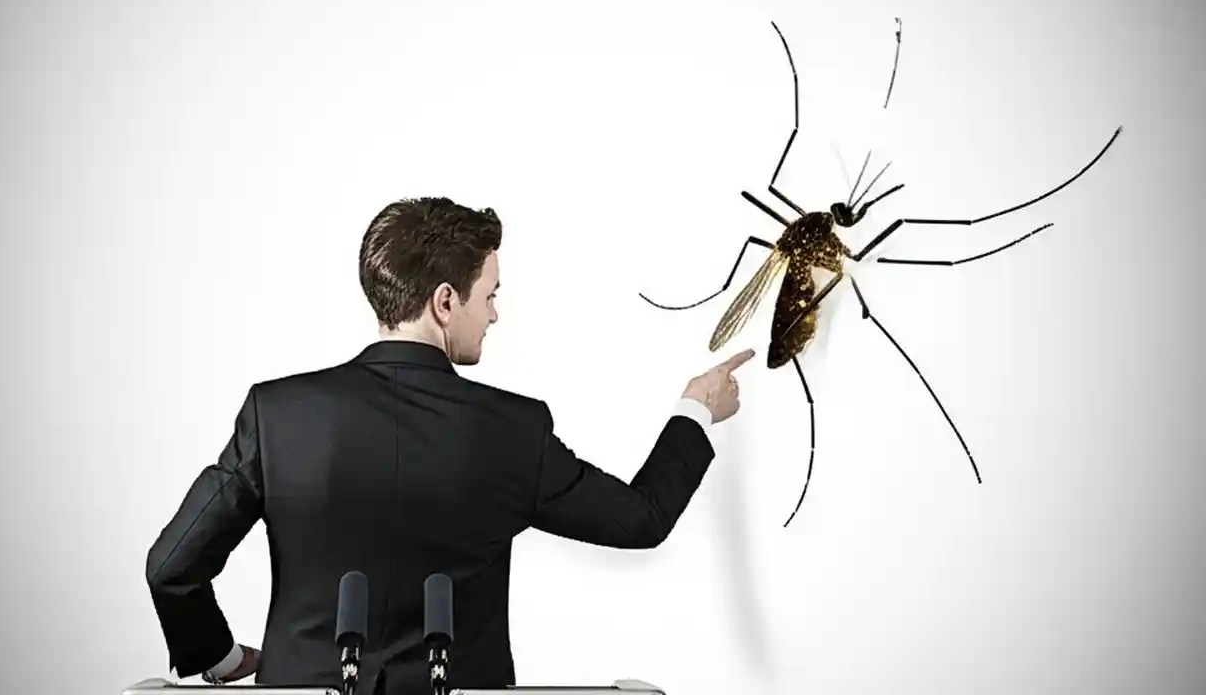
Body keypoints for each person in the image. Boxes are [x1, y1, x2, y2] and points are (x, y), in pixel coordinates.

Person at [144, 196, 754, 695]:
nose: (494, 314)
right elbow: (640, 519)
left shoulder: (277, 414)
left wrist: (218, 658)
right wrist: (695, 409)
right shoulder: (511, 428)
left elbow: (171, 567)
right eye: (489, 295)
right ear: (444, 301)